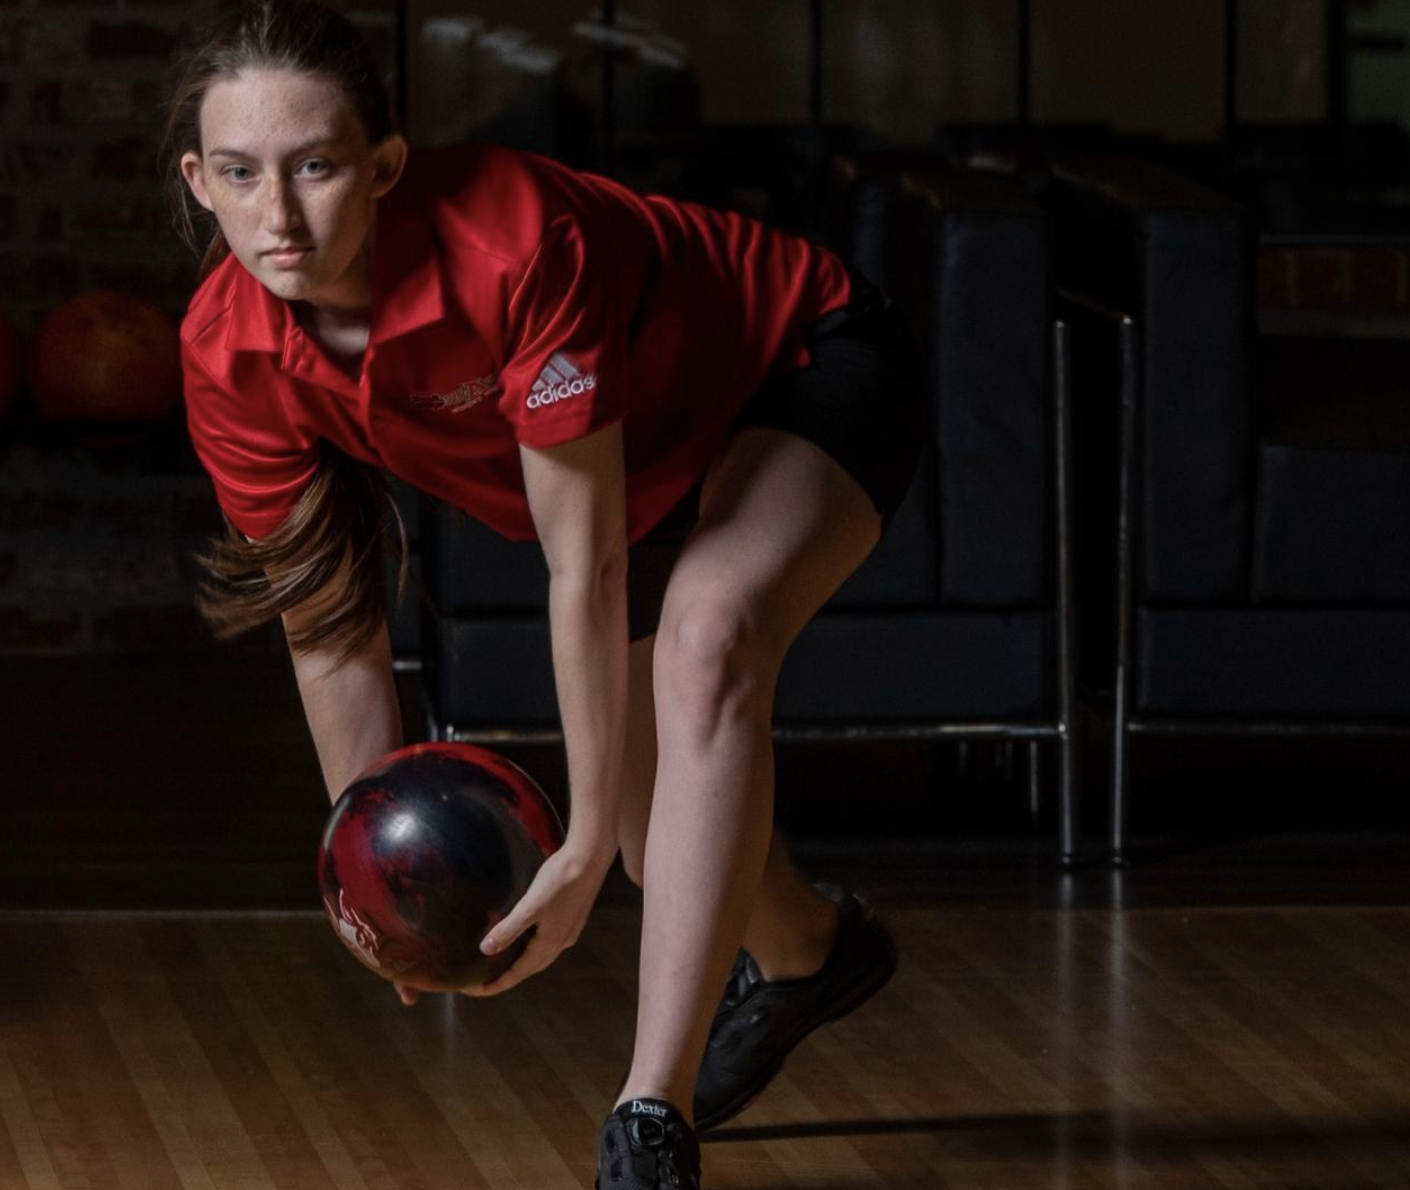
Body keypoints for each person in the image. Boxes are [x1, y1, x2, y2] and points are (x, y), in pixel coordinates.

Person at [160, 3, 927, 1186]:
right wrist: (374, 864)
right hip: (648, 478)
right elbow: (331, 632)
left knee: (705, 641)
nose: (281, 213)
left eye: (315, 166)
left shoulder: (515, 245)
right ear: (197, 183)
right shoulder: (226, 351)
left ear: (383, 166)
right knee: (640, 840)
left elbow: (587, 562)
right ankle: (807, 950)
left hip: (801, 369)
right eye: (240, 173)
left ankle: (648, 1117)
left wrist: (556, 849)